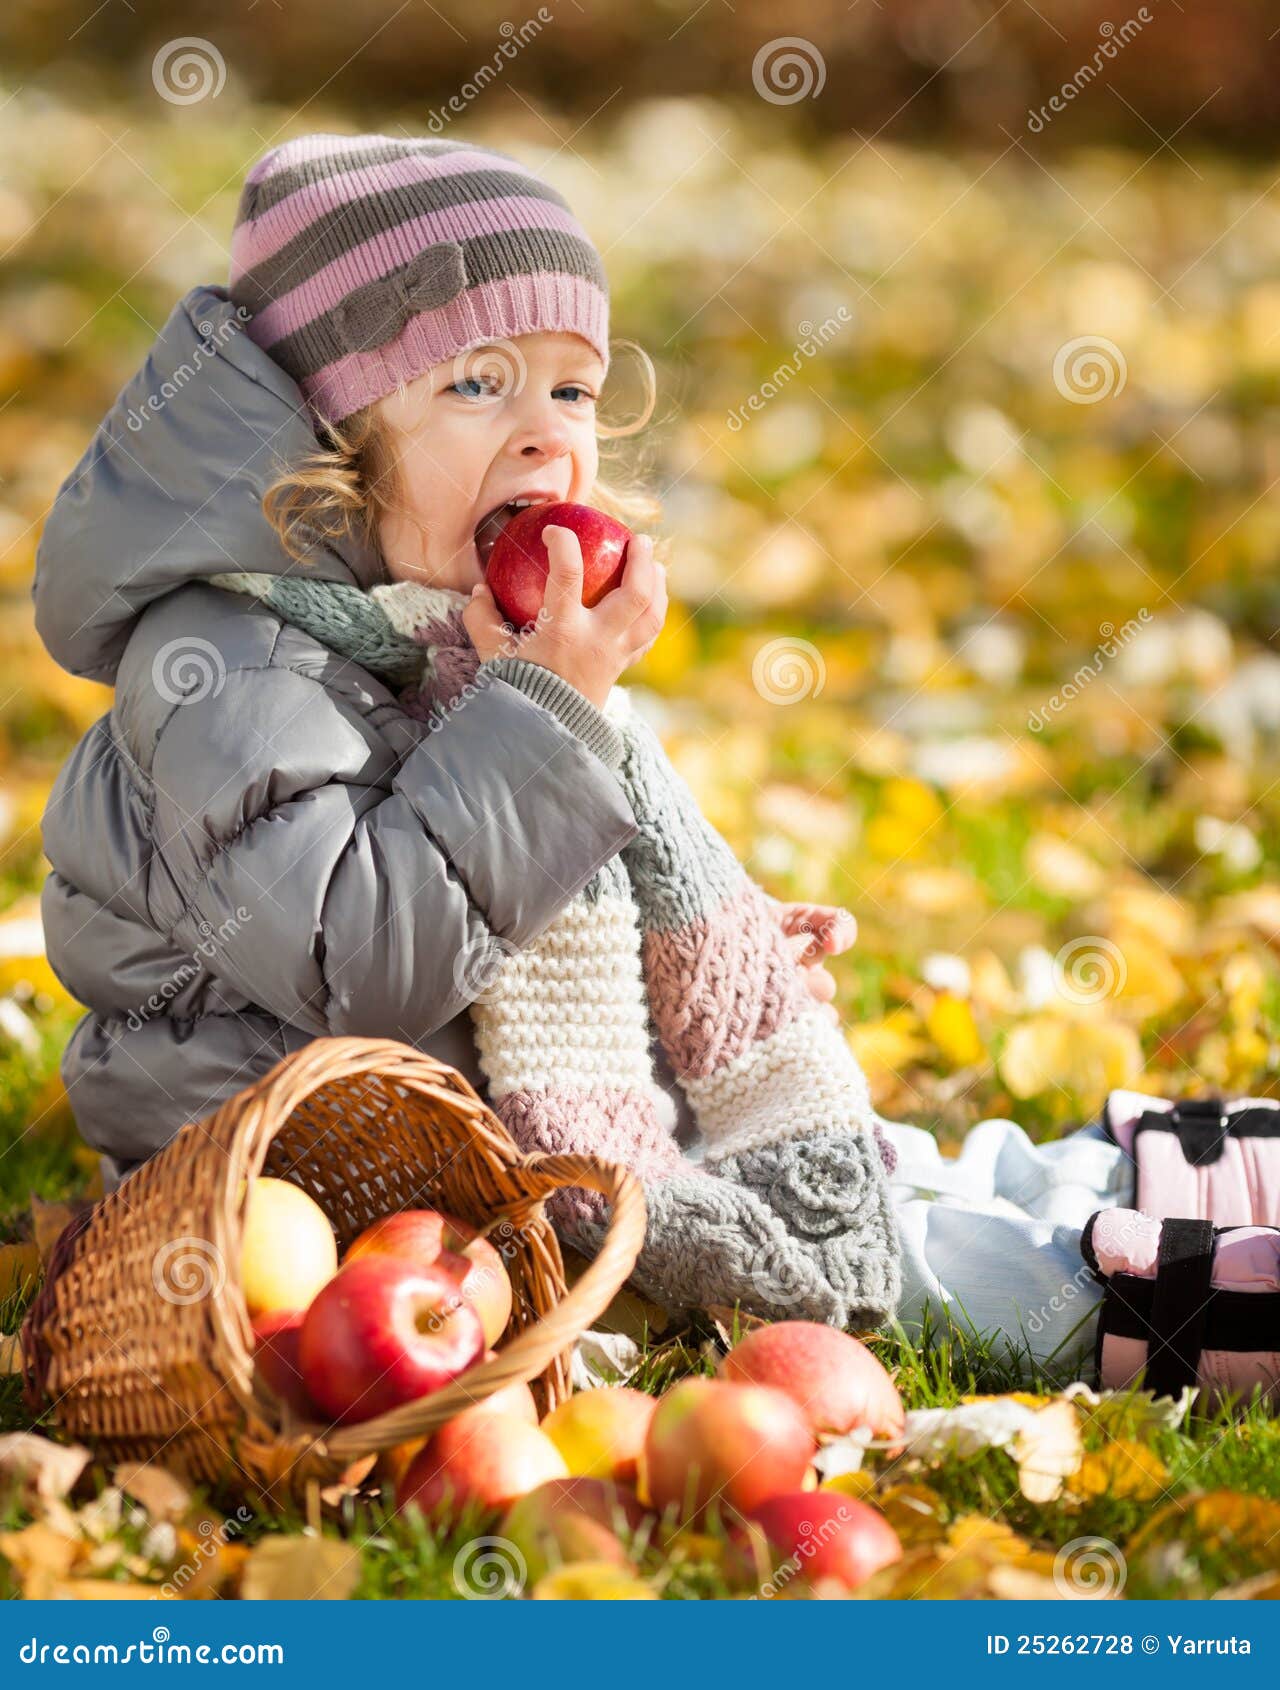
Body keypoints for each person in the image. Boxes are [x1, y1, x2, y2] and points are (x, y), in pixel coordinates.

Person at [32, 131, 1128, 1381]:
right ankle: (1120, 1291)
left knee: (856, 1158)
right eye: (475, 385)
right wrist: (545, 707)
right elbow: (367, 958)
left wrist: (704, 968)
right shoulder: (226, 666)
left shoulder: (427, 620)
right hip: (336, 1193)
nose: (547, 435)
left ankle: (1112, 1164)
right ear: (325, 434)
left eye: (571, 390)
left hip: (478, 1122)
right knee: (842, 1266)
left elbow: (510, 899)